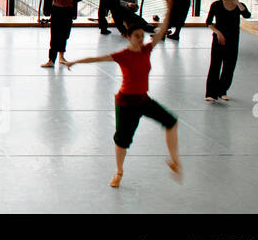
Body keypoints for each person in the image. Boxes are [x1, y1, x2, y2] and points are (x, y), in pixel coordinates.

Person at [66, 13, 182, 187]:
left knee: (171, 122)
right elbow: (97, 59)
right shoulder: (123, 55)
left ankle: (174, 160)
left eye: (142, 36)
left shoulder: (146, 50)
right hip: (126, 103)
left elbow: (162, 30)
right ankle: (119, 172)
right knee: (122, 140)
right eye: (137, 36)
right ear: (128, 37)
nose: (141, 39)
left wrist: (168, 8)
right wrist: (75, 62)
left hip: (143, 99)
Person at [204, 0, 250, 103]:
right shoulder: (216, 5)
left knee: (229, 67)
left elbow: (247, 15)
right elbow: (208, 22)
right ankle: (211, 93)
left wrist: (237, 2)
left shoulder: (238, 6)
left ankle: (222, 91)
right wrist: (218, 33)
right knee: (215, 65)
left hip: (233, 40)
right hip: (219, 39)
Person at [37, 0, 89, 69]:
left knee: (64, 35)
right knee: (55, 36)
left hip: (68, 12)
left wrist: (74, 0)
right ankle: (51, 60)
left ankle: (61, 56)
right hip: (56, 12)